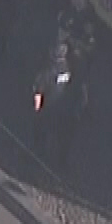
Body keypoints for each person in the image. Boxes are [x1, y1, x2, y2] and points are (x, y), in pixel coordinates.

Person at [31, 40, 82, 168]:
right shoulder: (66, 68)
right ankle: (58, 161)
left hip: (51, 107)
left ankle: (38, 156)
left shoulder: (50, 71)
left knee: (44, 133)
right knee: (59, 136)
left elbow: (39, 91)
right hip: (61, 107)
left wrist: (37, 110)